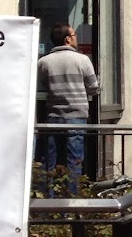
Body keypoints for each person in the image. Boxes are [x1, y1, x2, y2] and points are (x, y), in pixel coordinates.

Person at [35, 22, 99, 195]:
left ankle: (49, 202)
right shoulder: (82, 60)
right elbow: (94, 87)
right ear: (67, 39)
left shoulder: (44, 62)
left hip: (53, 116)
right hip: (76, 116)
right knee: (74, 161)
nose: (76, 38)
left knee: (50, 161)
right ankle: (72, 201)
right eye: (74, 35)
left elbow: (40, 85)